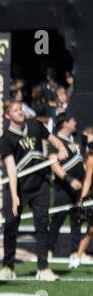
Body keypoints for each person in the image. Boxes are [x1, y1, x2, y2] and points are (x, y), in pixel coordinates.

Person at [0, 98, 56, 281]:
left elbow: (53, 139)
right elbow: (11, 168)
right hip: (18, 187)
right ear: (7, 115)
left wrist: (60, 148)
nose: (20, 112)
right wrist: (14, 197)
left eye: (21, 109)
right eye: (15, 110)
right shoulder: (5, 138)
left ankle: (43, 268)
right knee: (11, 226)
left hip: (40, 184)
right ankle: (7, 266)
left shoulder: (35, 126)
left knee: (42, 225)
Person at [47, 114, 86, 267]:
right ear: (65, 123)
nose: (76, 122)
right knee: (57, 220)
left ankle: (75, 252)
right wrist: (69, 180)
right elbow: (53, 164)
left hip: (79, 188)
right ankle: (48, 250)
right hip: (63, 188)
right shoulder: (56, 141)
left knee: (77, 220)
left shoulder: (75, 139)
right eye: (73, 120)